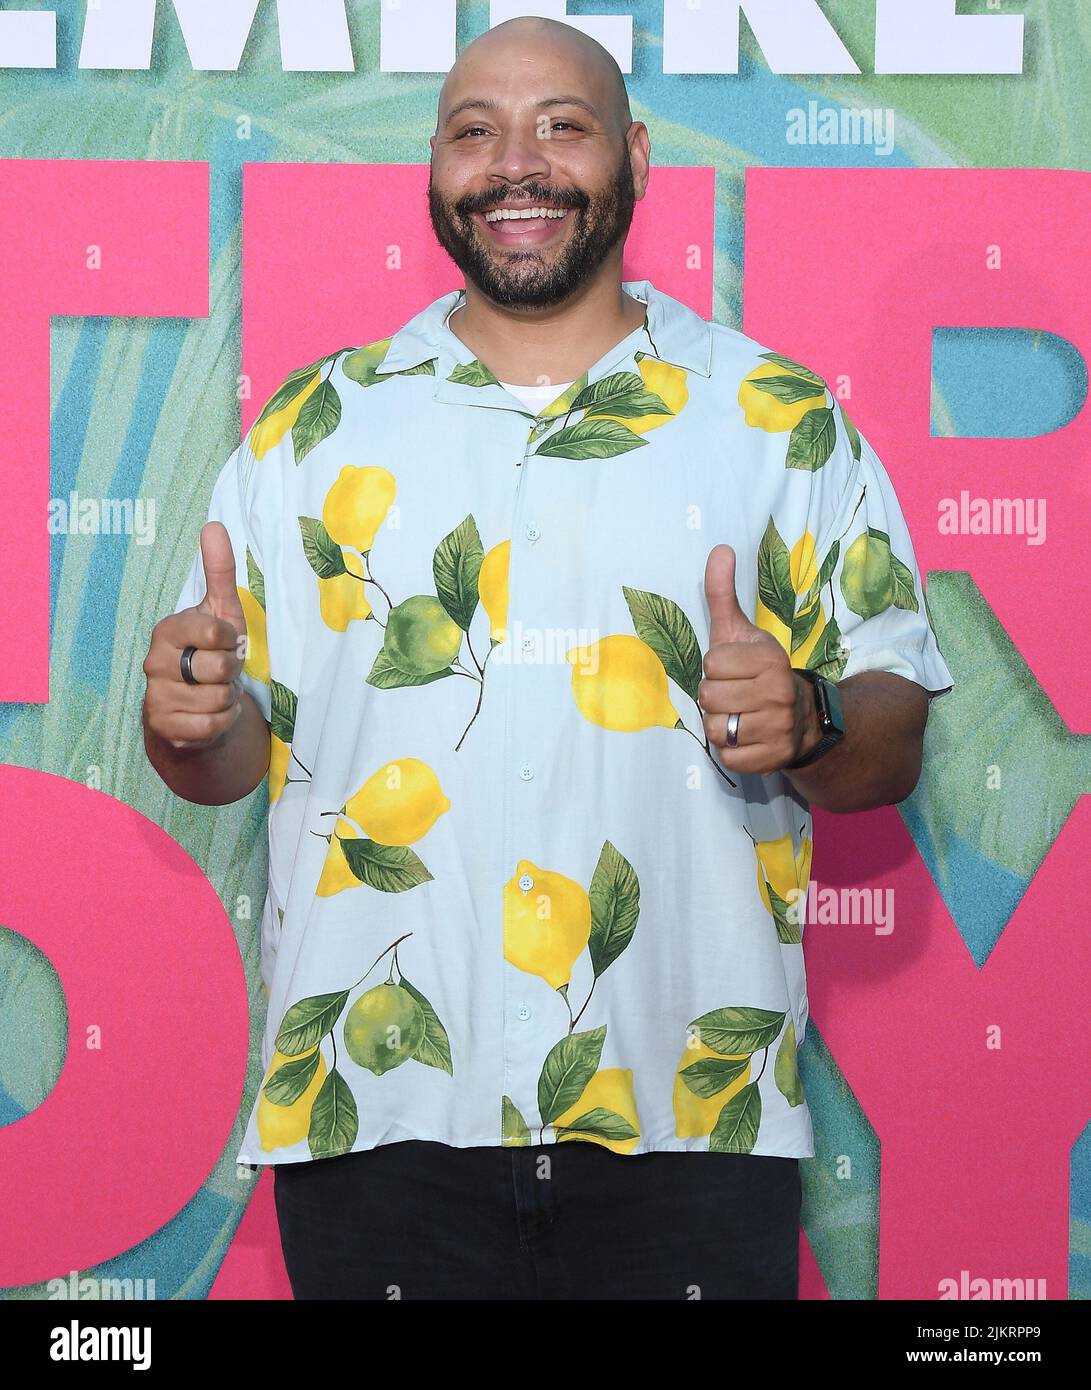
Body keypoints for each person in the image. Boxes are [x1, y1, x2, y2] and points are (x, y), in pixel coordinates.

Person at [142, 15, 955, 1300]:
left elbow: (891, 736)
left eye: (558, 126)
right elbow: (226, 758)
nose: (513, 163)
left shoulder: (776, 422)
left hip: (690, 1122)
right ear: (432, 172)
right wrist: (190, 721)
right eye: (473, 132)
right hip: (376, 1113)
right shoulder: (311, 428)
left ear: (634, 154)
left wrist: (805, 715)